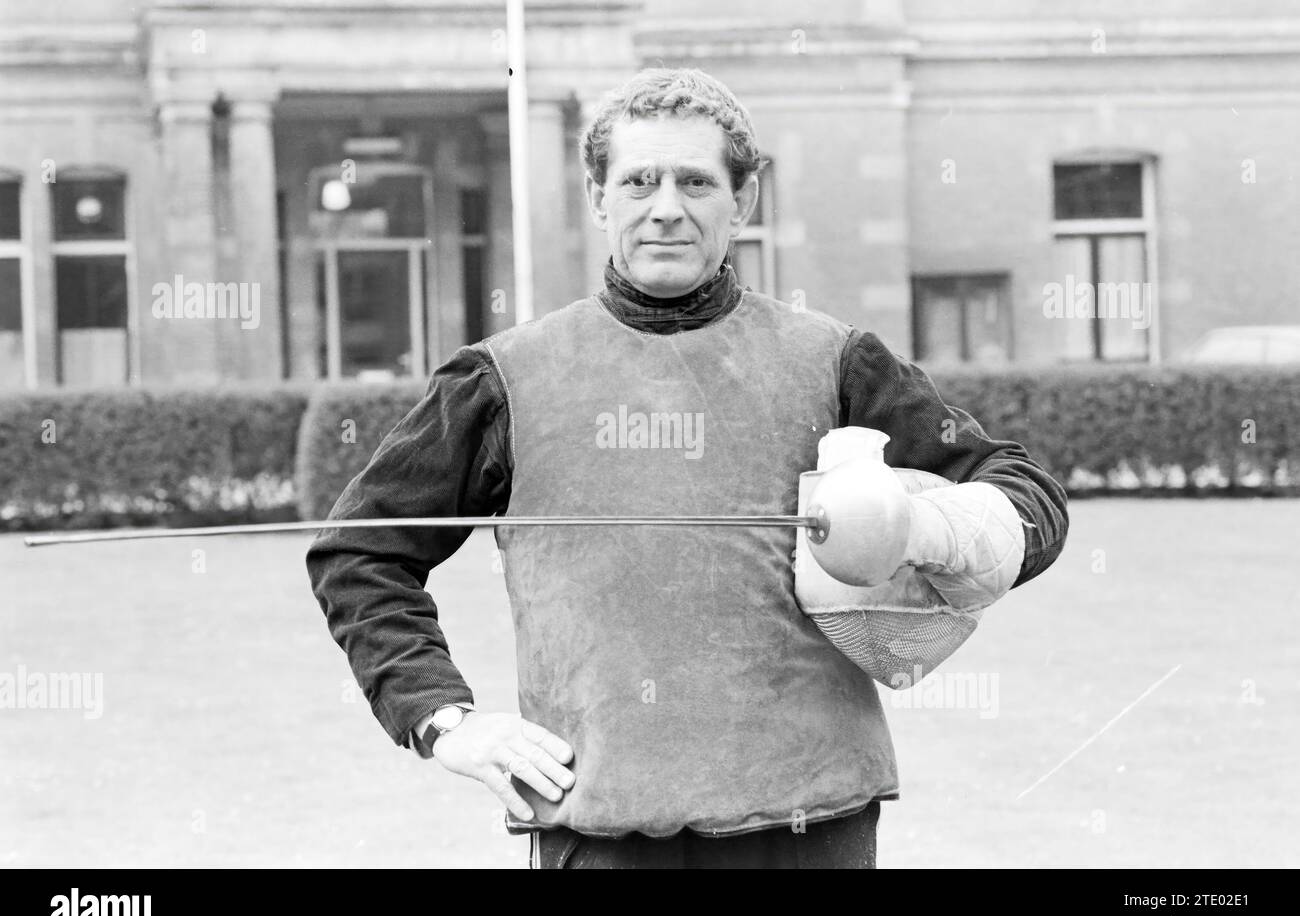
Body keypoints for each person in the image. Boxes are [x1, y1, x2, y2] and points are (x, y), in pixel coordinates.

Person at [307, 67, 1069, 870]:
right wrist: (445, 721)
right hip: (598, 831)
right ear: (598, 196)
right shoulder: (501, 379)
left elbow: (1029, 496)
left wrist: (912, 523)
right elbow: (359, 553)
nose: (666, 205)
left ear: (742, 201)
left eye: (696, 181)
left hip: (812, 831)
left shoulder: (837, 361)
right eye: (639, 179)